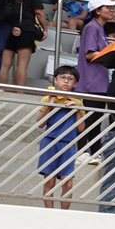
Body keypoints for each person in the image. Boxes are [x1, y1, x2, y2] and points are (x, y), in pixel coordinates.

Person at [37, 65, 82, 208]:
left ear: (75, 84)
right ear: (55, 80)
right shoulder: (48, 98)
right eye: (63, 77)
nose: (66, 81)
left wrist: (77, 110)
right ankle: (49, 214)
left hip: (68, 144)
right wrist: (50, 106)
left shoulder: (78, 101)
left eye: (70, 79)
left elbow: (82, 129)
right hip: (50, 142)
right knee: (49, 181)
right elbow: (40, 123)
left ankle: (64, 215)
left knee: (67, 182)